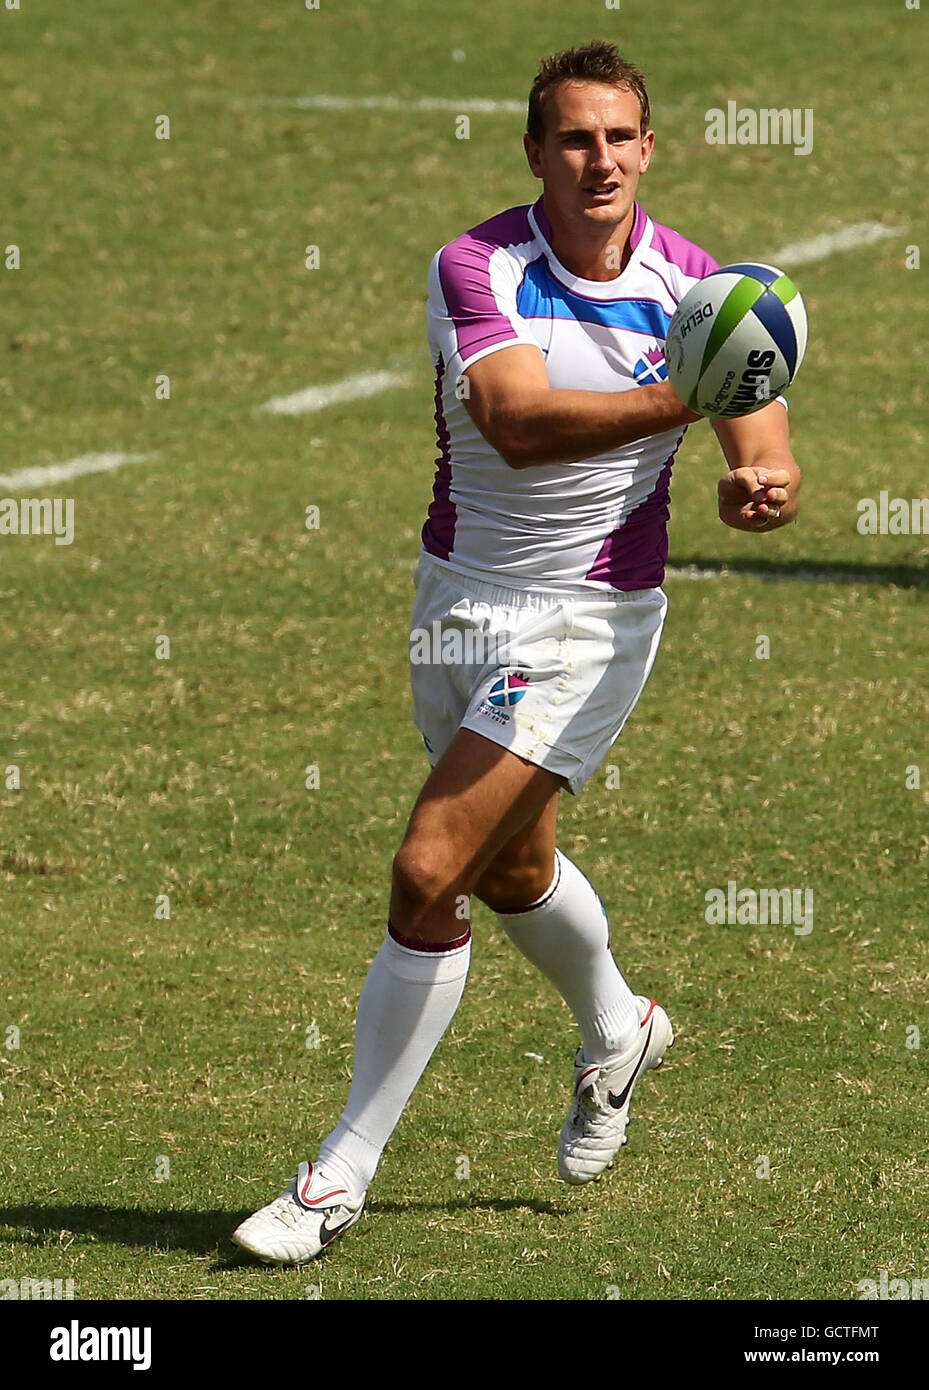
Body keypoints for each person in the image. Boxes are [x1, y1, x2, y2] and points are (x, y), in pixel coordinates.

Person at [232, 39, 802, 1266]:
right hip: (457, 603)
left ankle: (336, 1176)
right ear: (535, 150)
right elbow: (516, 419)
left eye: (619, 137)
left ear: (650, 147)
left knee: (426, 867)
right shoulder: (476, 263)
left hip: (587, 620)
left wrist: (761, 480)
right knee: (505, 868)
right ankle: (619, 1024)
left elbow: (764, 443)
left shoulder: (705, 293)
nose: (598, 159)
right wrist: (686, 402)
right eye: (573, 138)